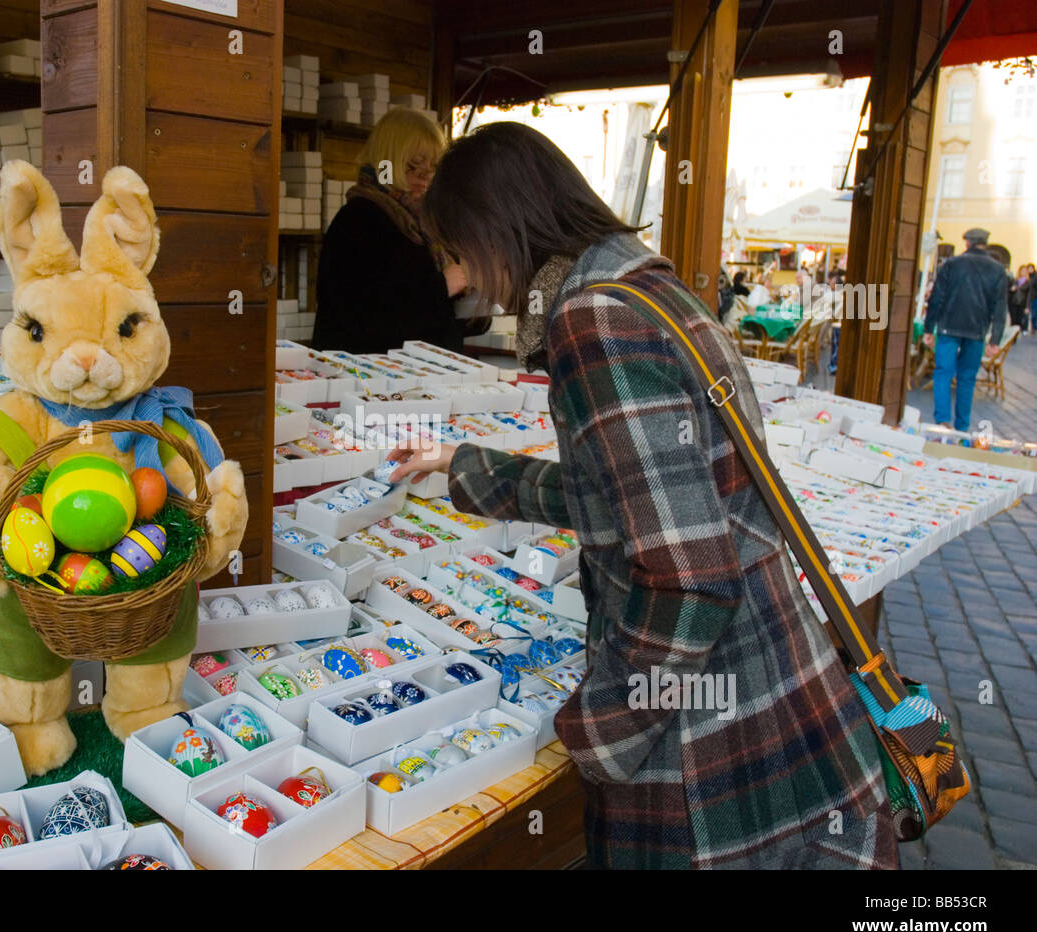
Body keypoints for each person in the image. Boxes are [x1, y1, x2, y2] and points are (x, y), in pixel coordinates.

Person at [390, 121, 896, 869]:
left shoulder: (593, 322)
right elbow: (631, 503)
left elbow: (690, 579)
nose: (458, 283)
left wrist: (602, 729)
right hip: (771, 700)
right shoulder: (645, 287)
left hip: (713, 750)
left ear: (507, 232)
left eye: (460, 255)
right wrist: (460, 466)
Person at [311, 109, 469, 353]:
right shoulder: (359, 220)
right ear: (388, 162)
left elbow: (436, 317)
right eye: (413, 166)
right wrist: (443, 286)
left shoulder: (425, 223)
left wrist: (475, 306)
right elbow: (365, 320)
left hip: (422, 377)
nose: (424, 178)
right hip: (372, 380)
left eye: (432, 168)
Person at [923, 227, 1009, 431]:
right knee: (967, 379)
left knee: (943, 372)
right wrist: (995, 340)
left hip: (948, 327)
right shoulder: (997, 270)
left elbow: (936, 298)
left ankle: (943, 421)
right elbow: (1000, 307)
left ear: (967, 243)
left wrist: (929, 328)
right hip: (977, 329)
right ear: (984, 243)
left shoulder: (952, 264)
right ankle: (962, 426)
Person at [1009, 263, 1034, 334]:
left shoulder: (1028, 282)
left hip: (1022, 303)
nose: (1023, 272)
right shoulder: (1015, 280)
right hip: (1013, 302)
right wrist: (1011, 290)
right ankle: (1012, 334)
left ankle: (1018, 332)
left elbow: (1029, 295)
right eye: (1022, 271)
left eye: (1024, 271)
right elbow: (1009, 291)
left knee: (1020, 319)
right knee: (1013, 319)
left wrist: (1027, 306)